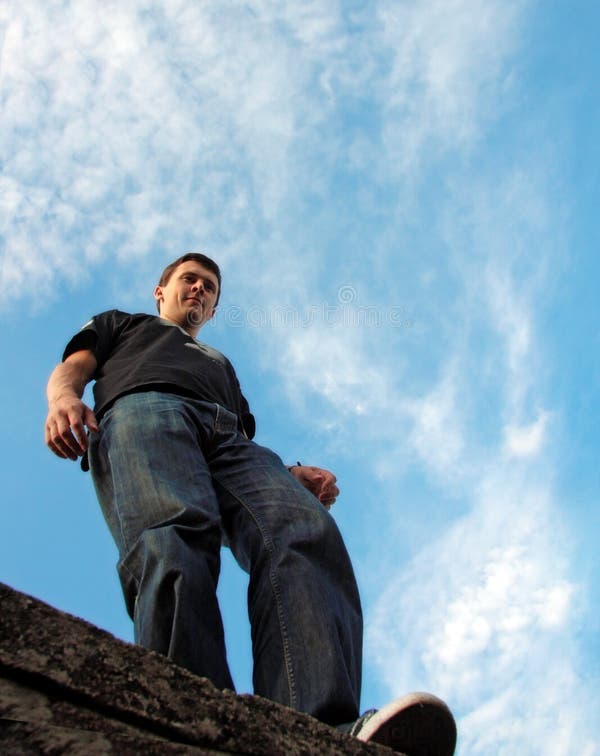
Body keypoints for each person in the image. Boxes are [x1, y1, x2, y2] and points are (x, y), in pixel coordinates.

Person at [45, 252, 456, 755]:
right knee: (174, 539)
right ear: (161, 291)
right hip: (144, 410)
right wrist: (63, 399)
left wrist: (287, 475)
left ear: (214, 308)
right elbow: (73, 368)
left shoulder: (221, 365)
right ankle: (189, 722)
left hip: (227, 437)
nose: (199, 289)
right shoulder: (122, 324)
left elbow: (240, 445)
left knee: (303, 529)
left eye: (210, 287)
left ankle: (316, 728)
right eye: (190, 279)